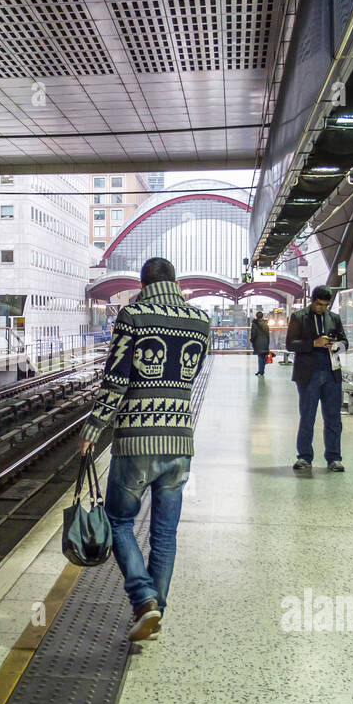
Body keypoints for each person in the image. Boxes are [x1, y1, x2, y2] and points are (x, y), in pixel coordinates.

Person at [78, 257, 210, 642]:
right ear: (175, 281)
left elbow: (116, 379)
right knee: (164, 534)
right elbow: (192, 371)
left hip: (137, 440)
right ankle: (156, 610)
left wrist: (94, 425)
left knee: (119, 521)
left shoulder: (132, 315)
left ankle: (144, 598)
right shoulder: (200, 320)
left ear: (143, 282)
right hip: (180, 440)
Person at [286, 285, 349, 473]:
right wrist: (314, 343)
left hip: (331, 373)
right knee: (307, 416)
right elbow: (290, 344)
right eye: (319, 304)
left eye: (326, 305)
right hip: (308, 374)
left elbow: (345, 342)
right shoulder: (299, 317)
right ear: (312, 300)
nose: (322, 308)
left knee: (333, 418)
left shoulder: (334, 318)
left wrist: (335, 345)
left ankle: (334, 458)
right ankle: (304, 457)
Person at [250, 310, 270, 376]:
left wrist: (252, 340)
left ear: (256, 316)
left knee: (260, 357)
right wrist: (268, 342)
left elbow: (253, 334)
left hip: (258, 342)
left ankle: (260, 371)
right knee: (263, 357)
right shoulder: (265, 323)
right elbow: (268, 334)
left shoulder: (254, 324)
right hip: (265, 341)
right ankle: (261, 370)